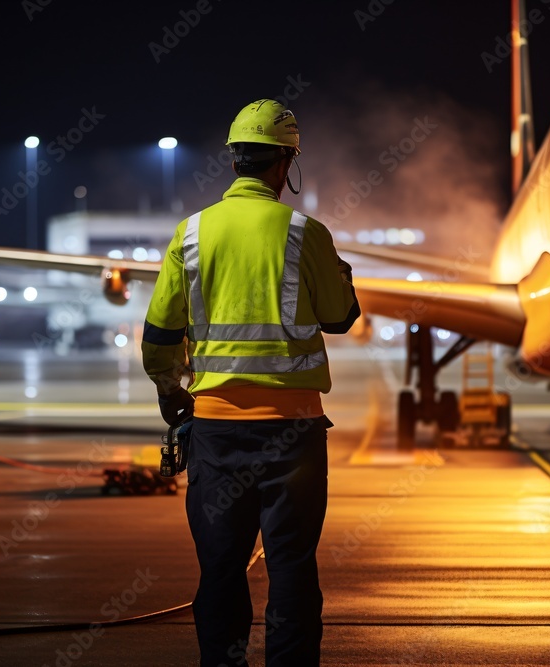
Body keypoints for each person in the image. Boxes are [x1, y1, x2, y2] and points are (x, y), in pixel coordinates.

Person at [142, 99, 360, 667]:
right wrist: (340, 275)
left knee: (219, 568)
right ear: (286, 163)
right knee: (291, 565)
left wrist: (171, 390)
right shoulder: (305, 232)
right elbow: (339, 317)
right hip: (294, 432)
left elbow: (160, 330)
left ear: (235, 160)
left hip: (215, 432)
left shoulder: (190, 234)